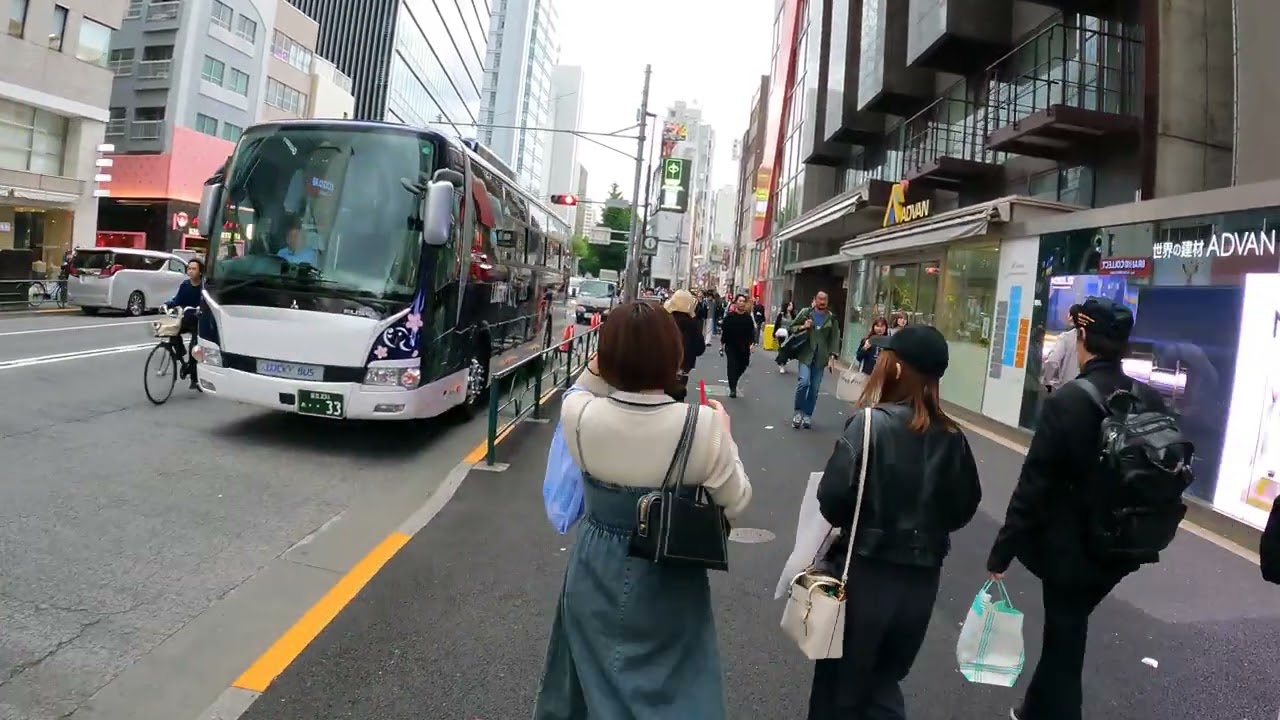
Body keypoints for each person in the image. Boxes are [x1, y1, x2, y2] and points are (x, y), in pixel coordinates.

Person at [534, 301, 752, 720]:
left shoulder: (578, 414)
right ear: (674, 354)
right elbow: (737, 501)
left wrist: (615, 348)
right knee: (672, 690)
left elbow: (588, 380)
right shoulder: (700, 427)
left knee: (590, 685)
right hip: (667, 570)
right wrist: (726, 437)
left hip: (594, 564)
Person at [987, 297, 1170, 720]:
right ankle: (1034, 710)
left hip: (1072, 548)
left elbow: (1033, 484)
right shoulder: (1148, 398)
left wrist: (1003, 549)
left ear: (1082, 338)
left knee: (1066, 639)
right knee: (1067, 629)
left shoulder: (1069, 401)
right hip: (1126, 544)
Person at [809, 324, 982, 719]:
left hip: (865, 572)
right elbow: (965, 506)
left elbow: (832, 501)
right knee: (885, 682)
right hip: (922, 578)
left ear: (899, 370)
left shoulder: (870, 424)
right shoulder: (952, 437)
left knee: (840, 685)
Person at [788, 291, 843, 429]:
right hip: (806, 355)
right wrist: (803, 326)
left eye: (825, 299)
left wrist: (832, 357)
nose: (822, 301)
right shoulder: (806, 313)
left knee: (814, 389)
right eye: (820, 299)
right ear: (815, 299)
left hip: (820, 358)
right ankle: (798, 412)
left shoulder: (831, 318)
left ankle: (807, 414)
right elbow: (791, 327)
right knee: (803, 383)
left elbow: (834, 338)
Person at [163, 258, 206, 391]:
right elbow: (177, 300)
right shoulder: (185, 285)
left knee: (194, 347)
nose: (191, 271)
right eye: (189, 268)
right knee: (171, 331)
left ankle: (195, 379)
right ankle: (179, 352)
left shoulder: (204, 287)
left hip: (198, 321)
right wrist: (167, 304)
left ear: (200, 272)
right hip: (185, 319)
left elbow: (207, 302)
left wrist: (200, 308)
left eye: (194, 269)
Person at [664, 289, 706, 401]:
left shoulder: (664, 320)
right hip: (684, 366)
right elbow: (700, 348)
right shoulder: (693, 324)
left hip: (662, 365)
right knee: (678, 397)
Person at [719, 293, 756, 398]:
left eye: (743, 301)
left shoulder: (748, 318)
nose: (741, 303)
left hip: (744, 347)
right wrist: (721, 346)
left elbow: (751, 332)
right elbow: (724, 332)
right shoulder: (730, 317)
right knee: (732, 366)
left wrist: (752, 343)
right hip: (731, 346)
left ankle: (734, 379)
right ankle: (733, 388)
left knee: (743, 364)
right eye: (739, 301)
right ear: (735, 303)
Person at [1041, 304, 1082, 392]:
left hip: (1067, 388)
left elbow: (1052, 361)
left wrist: (1045, 382)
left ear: (1071, 317)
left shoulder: (1066, 337)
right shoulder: (1092, 340)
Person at [773, 301, 797, 373]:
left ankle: (780, 360)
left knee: (787, 350)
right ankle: (781, 365)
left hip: (789, 335)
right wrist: (774, 333)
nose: (791, 306)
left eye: (792, 305)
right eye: (789, 305)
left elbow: (796, 324)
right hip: (781, 334)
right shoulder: (781, 314)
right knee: (783, 348)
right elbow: (777, 324)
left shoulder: (793, 316)